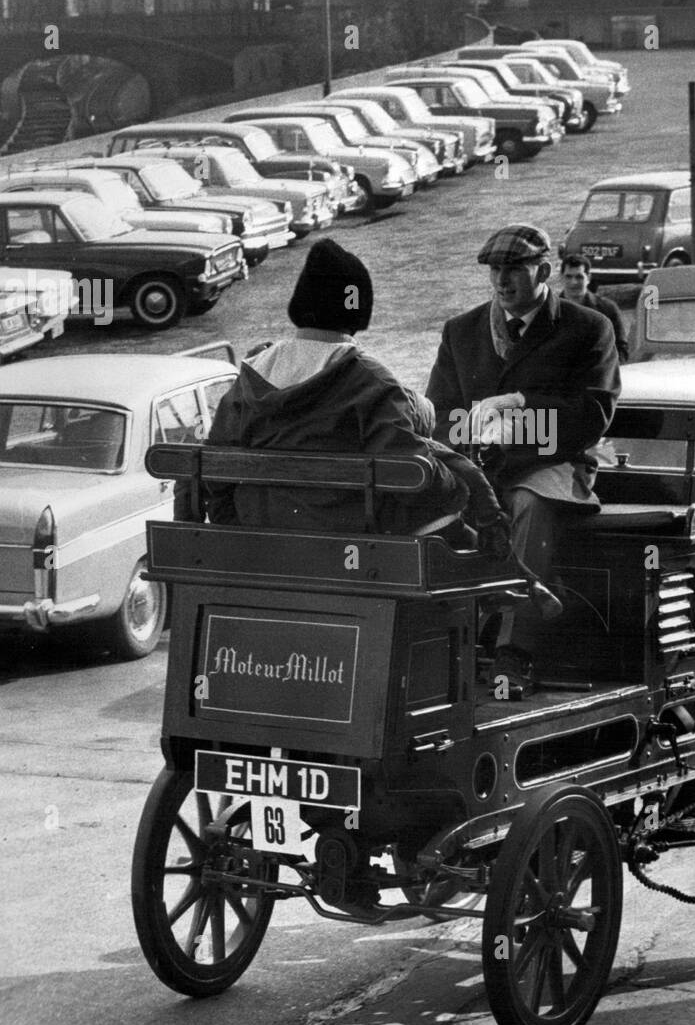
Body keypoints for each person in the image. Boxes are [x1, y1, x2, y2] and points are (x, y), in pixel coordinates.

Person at [201, 238, 505, 542]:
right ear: (356, 311)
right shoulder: (370, 380)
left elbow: (216, 463)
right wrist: (456, 489)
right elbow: (409, 472)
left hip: (262, 530)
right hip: (352, 538)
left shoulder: (251, 374)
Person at [426, 222, 621, 694]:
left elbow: (594, 414)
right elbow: (439, 414)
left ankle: (515, 654)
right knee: (430, 509)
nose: (501, 280)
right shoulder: (462, 330)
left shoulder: (588, 328)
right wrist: (471, 434)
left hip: (554, 464)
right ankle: (441, 645)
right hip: (478, 467)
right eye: (495, 270)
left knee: (529, 504)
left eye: (514, 269)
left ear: (545, 271)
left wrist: (518, 411)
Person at [559, 252, 629, 361]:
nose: (573, 282)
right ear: (561, 278)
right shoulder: (549, 311)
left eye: (579, 277)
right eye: (568, 276)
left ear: (589, 278)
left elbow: (621, 350)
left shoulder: (607, 309)